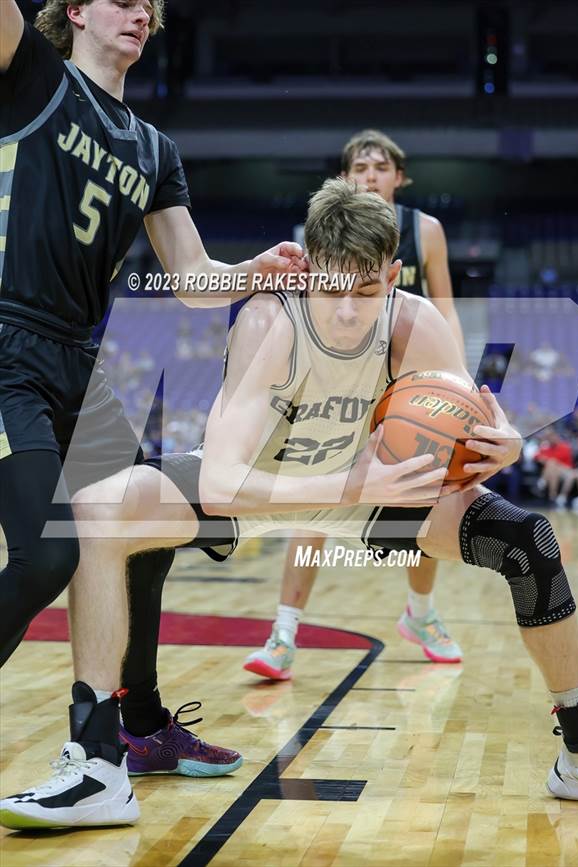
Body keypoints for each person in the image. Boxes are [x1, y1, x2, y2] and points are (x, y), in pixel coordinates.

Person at [4, 178, 578, 831]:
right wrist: (346, 486)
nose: (346, 311)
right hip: (264, 482)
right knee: (99, 510)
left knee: (525, 538)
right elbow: (223, 479)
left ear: (393, 274)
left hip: (367, 488)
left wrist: (495, 450)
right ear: (307, 268)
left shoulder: (417, 325)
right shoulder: (267, 320)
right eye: (331, 288)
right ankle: (99, 761)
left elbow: (459, 447)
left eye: (366, 292)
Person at [0, 0, 305, 830]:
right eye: (123, 0)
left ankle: (137, 730)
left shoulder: (153, 147)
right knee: (43, 558)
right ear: (75, 11)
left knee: (142, 534)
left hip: (80, 361)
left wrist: (254, 270)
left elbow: (190, 273)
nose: (140, 13)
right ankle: (100, 745)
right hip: (8, 344)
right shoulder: (32, 76)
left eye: (149, 6)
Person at [245, 130, 466, 681]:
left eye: (381, 166)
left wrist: (456, 377)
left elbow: (446, 308)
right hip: (339, 376)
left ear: (399, 177)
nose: (370, 173)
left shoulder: (424, 230)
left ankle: (420, 614)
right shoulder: (322, 235)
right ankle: (285, 632)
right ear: (344, 180)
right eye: (360, 166)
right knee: (318, 502)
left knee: (425, 494)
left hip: (405, 380)